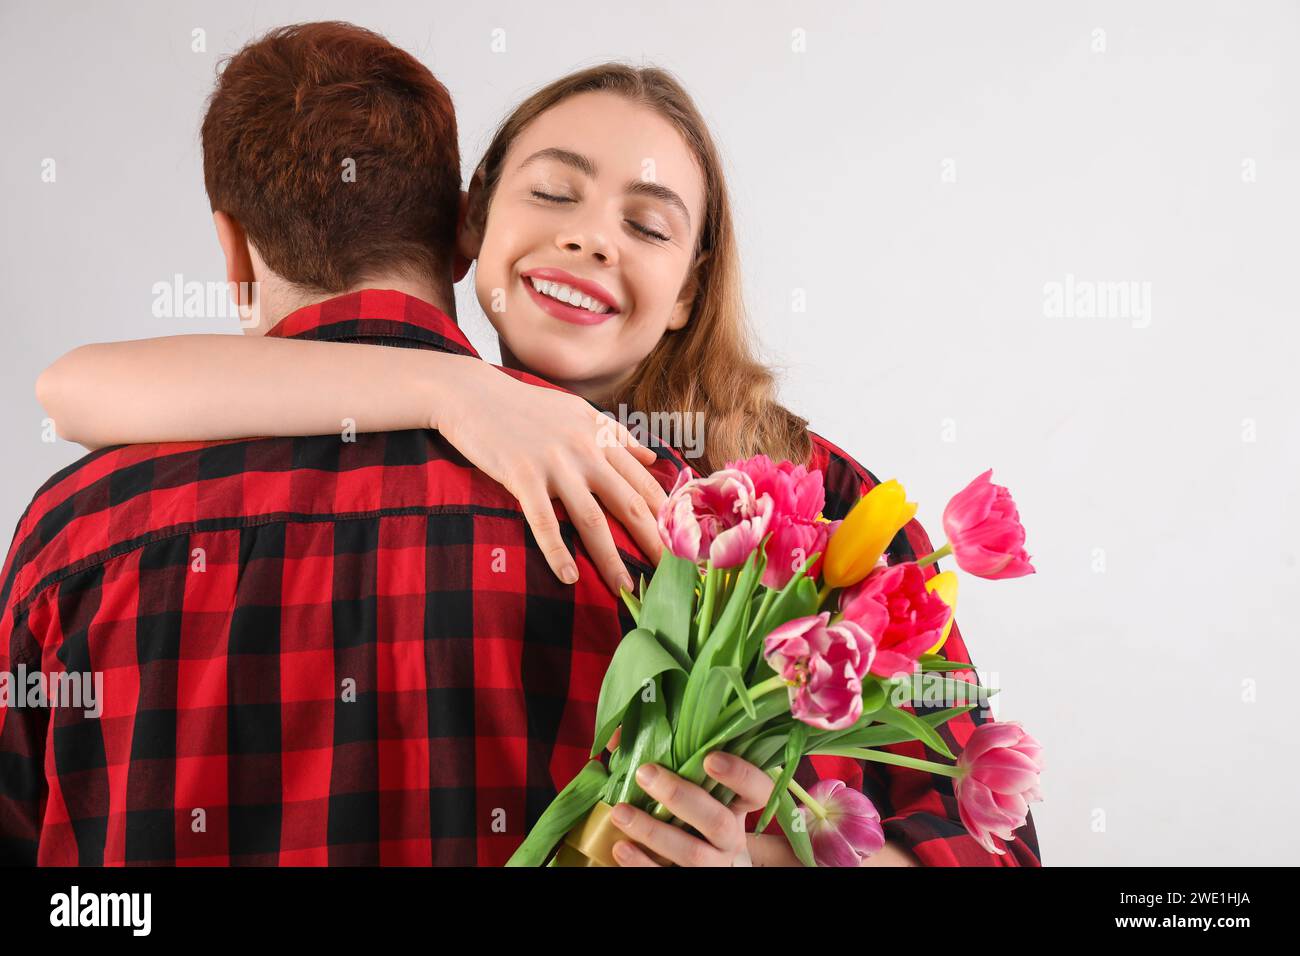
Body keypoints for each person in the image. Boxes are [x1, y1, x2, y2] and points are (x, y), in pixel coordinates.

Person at [17, 24, 1040, 866]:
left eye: (647, 225)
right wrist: (453, 386)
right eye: (554, 193)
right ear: (471, 225)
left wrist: (767, 859)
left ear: (690, 286)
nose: (593, 237)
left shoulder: (774, 513)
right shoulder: (568, 472)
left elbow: (988, 839)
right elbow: (72, 387)